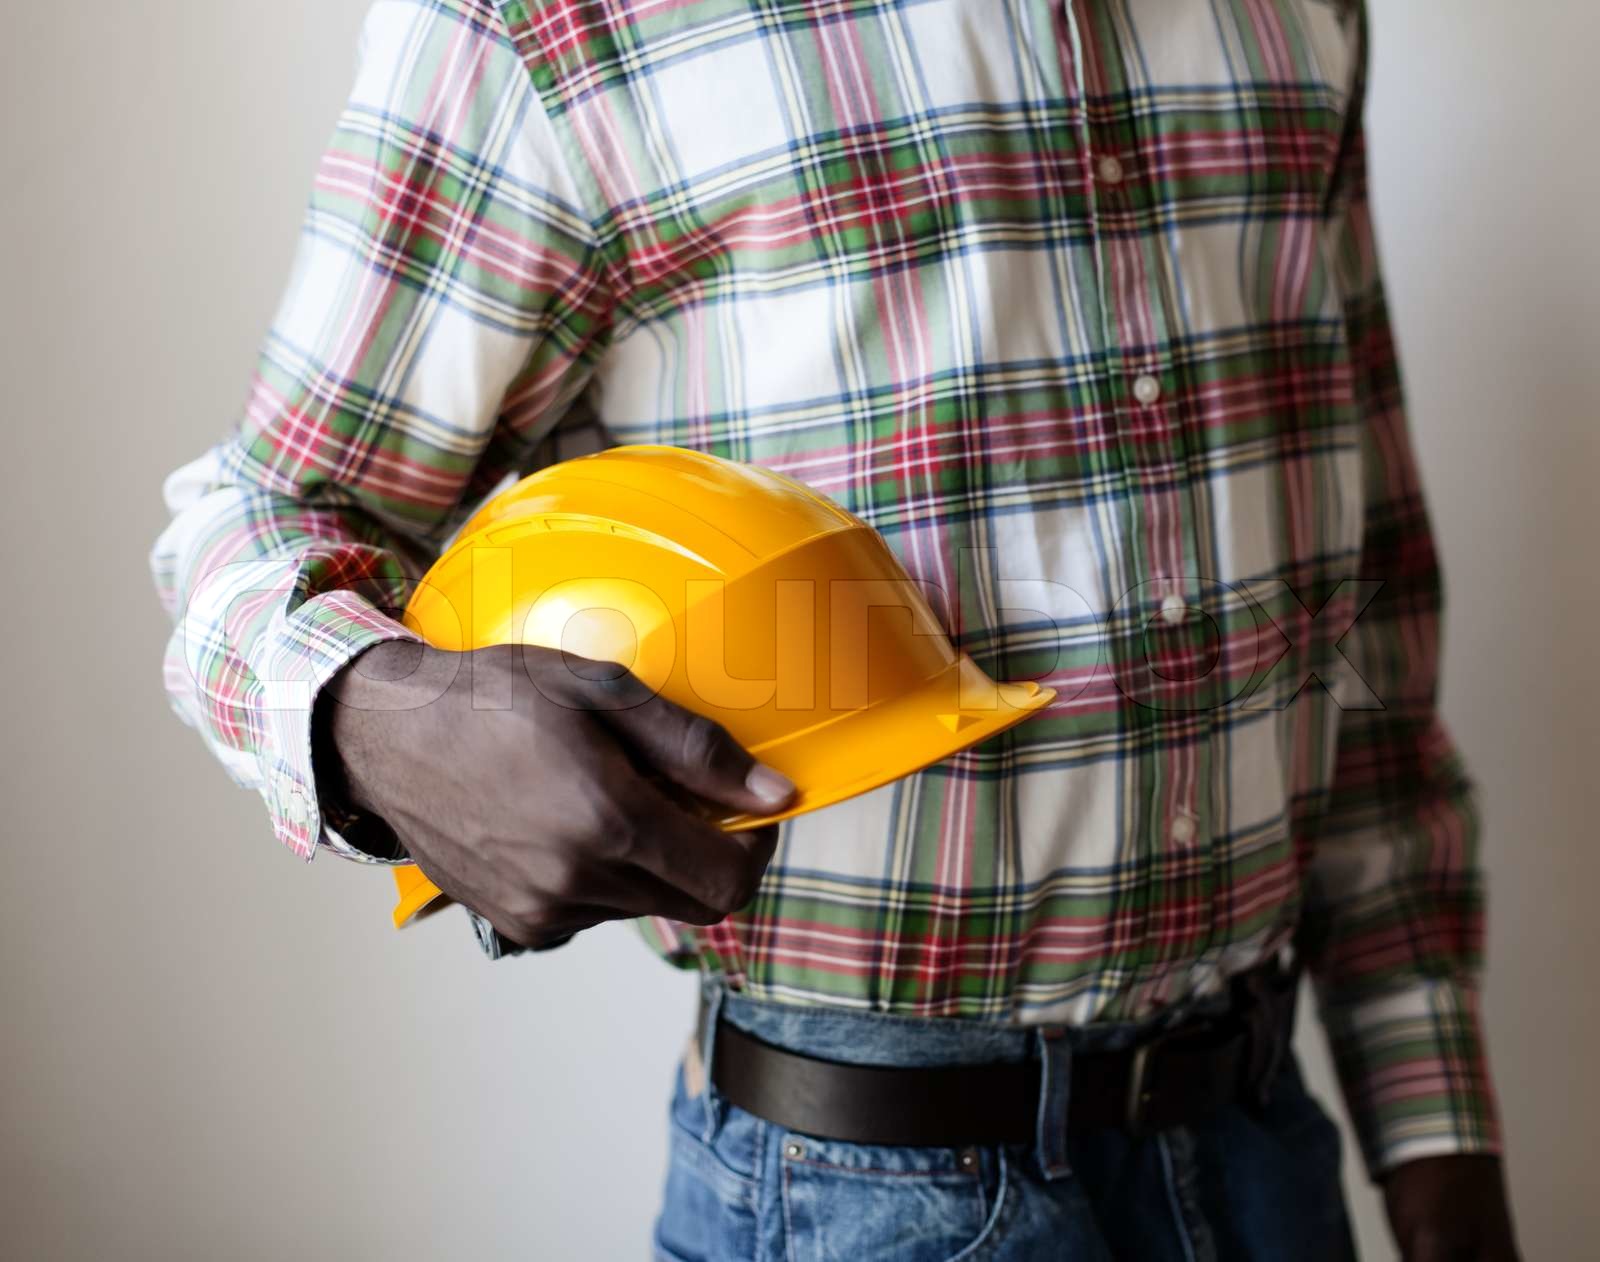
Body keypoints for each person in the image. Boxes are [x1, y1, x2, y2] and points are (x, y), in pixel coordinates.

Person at [151, 1, 1519, 1257]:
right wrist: (372, 715)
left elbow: (1373, 621)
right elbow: (261, 514)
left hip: (1269, 1154)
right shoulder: (555, 22)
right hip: (866, 1188)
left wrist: (1439, 1136)